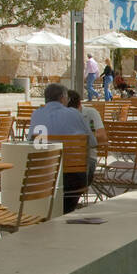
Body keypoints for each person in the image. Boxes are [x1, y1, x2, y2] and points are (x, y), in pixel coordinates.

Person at [29, 83, 94, 213]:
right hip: (72, 179)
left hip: (44, 177)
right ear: (63, 97)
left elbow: (31, 143)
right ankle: (65, 212)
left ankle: (55, 212)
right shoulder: (75, 114)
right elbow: (92, 142)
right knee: (91, 161)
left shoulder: (36, 115)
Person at [67, 89, 107, 186]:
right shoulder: (65, 115)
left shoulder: (90, 113)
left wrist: (81, 140)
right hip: (69, 159)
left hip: (87, 158)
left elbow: (102, 137)